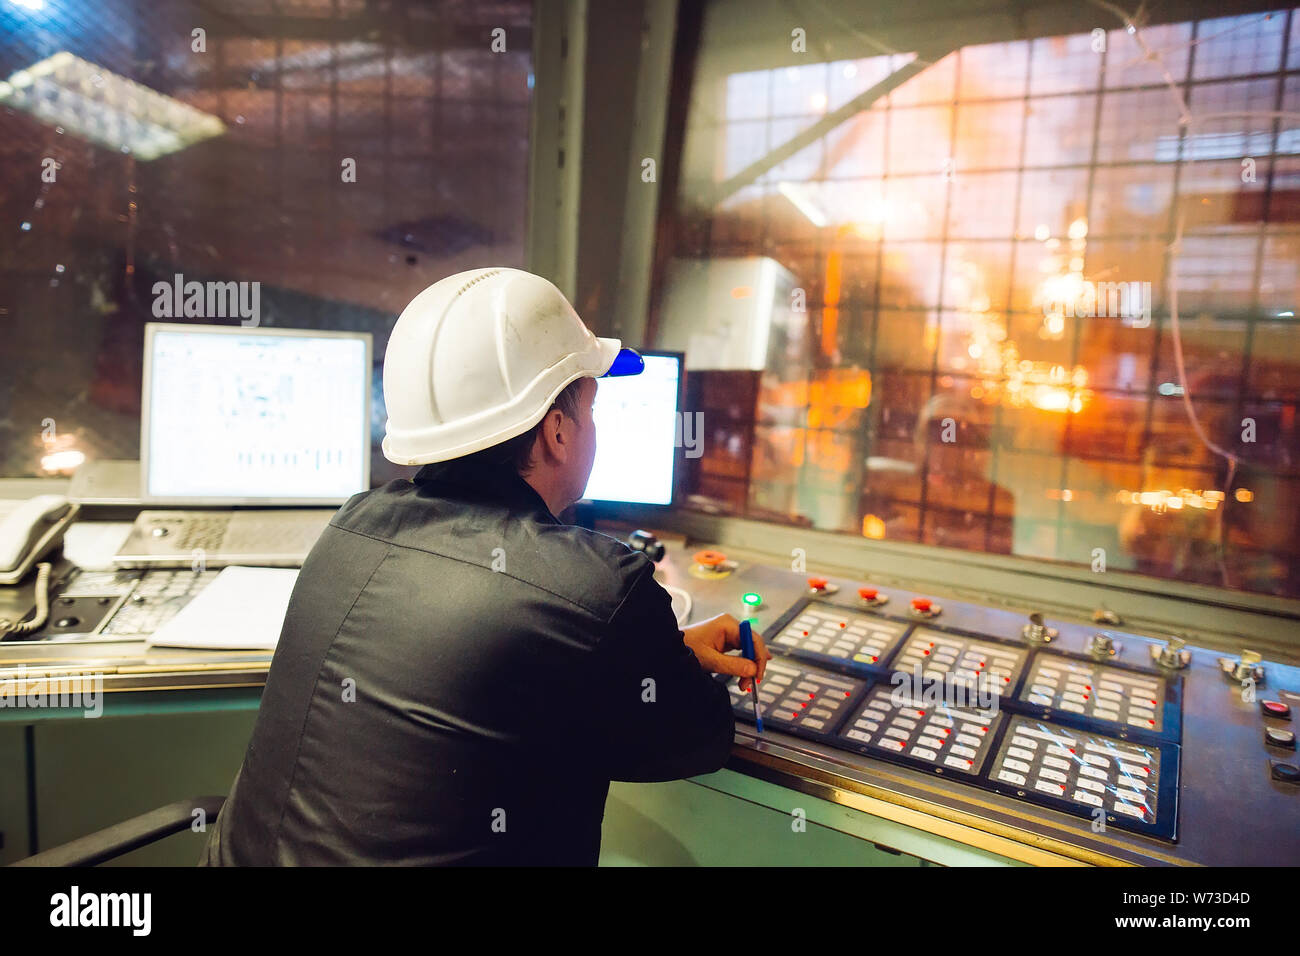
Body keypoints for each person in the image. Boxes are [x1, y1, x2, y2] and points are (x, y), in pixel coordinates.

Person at [201, 267, 770, 865]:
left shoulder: (349, 526)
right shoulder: (600, 588)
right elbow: (696, 738)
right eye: (591, 411)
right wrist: (652, 660)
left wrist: (657, 653)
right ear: (557, 431)